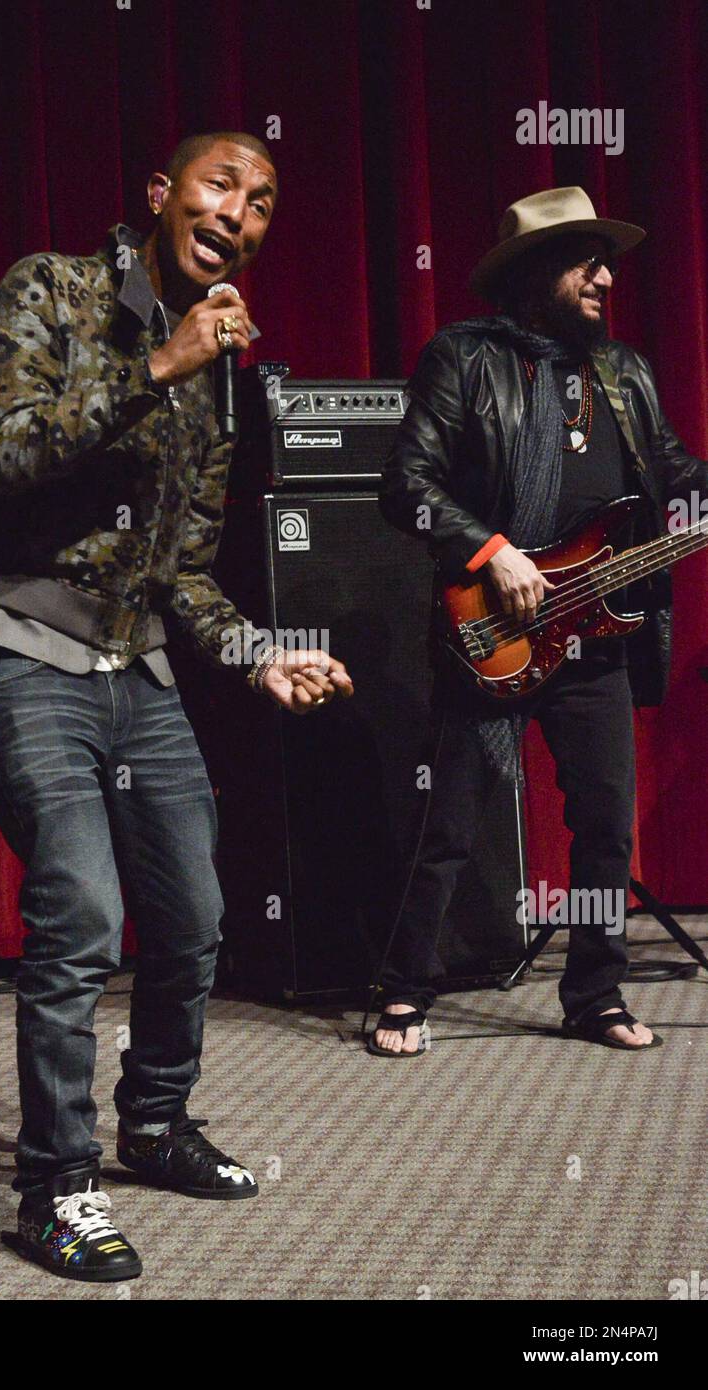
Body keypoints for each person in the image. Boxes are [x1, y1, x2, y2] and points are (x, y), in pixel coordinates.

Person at [0, 131, 353, 1280]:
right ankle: (55, 1187)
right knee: (77, 905)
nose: (240, 212)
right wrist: (156, 365)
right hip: (20, 640)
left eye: (263, 200)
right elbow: (1, 454)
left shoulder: (219, 365)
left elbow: (184, 566)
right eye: (222, 185)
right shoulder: (53, 288)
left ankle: (155, 1122)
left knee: (193, 918)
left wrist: (258, 651)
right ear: (162, 196)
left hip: (137, 665)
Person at [373, 186, 707, 1058]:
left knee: (603, 825)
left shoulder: (622, 372)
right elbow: (405, 486)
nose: (605, 277)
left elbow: (673, 474)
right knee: (451, 822)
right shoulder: (464, 357)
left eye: (609, 262)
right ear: (533, 272)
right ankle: (406, 990)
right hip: (495, 624)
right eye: (585, 261)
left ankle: (594, 994)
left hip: (595, 633)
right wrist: (491, 552)